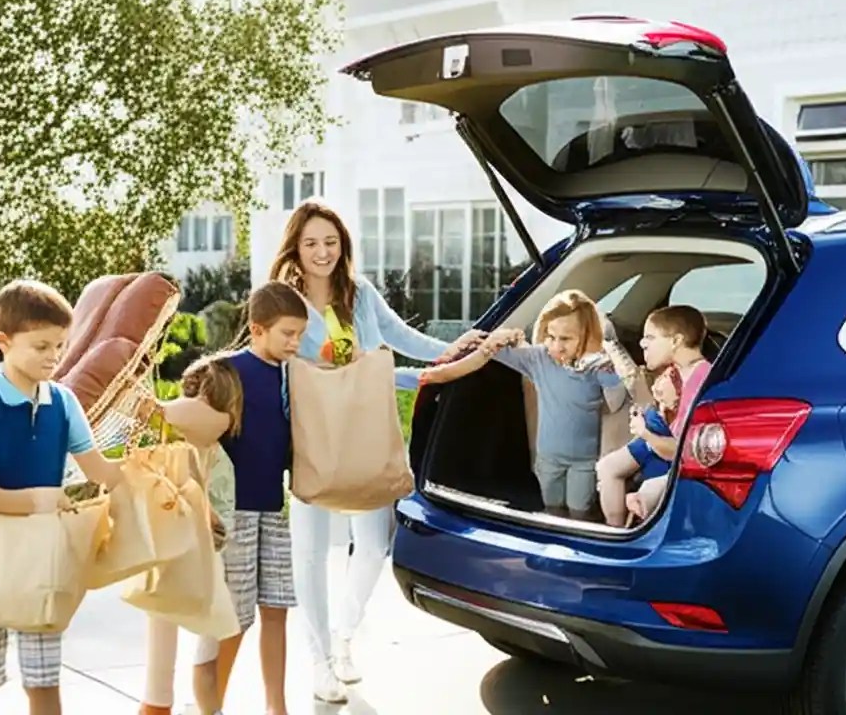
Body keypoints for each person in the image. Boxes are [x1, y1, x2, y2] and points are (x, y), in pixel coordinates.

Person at [270, 199, 483, 702]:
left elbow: (399, 339)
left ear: (342, 245)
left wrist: (456, 350)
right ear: (295, 249)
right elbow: (275, 362)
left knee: (372, 544)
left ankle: (344, 635)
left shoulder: (359, 293)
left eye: (330, 242)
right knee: (309, 553)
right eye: (311, 243)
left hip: (365, 435)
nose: (322, 252)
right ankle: (320, 661)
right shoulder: (283, 301)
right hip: (312, 439)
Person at [0, 279, 124, 715]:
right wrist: (37, 501)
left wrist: (156, 473)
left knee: (44, 678)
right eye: (41, 346)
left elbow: (101, 472)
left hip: (43, 558)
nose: (54, 356)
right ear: (4, 341)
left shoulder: (64, 402)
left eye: (60, 345)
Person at [173, 282, 309, 715]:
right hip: (235, 513)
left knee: (277, 608)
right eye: (287, 333)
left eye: (300, 334)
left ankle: (276, 707)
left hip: (274, 508)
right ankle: (210, 706)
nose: (295, 342)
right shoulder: (227, 373)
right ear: (257, 329)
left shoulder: (293, 376)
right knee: (231, 618)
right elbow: (194, 435)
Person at [419, 289, 624, 521]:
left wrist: (609, 365)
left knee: (579, 512)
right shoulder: (539, 359)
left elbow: (617, 401)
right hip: (548, 459)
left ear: (587, 336)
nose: (556, 346)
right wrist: (495, 339)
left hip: (585, 460)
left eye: (566, 339)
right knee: (550, 509)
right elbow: (495, 354)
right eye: (551, 336)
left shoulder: (597, 368)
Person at [138, 355, 240, 715]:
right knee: (184, 658)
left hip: (188, 559)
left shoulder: (204, 448)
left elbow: (171, 412)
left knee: (174, 658)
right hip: (193, 562)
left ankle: (175, 706)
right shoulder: (191, 447)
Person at [595, 305, 710, 526]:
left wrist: (644, 432)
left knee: (648, 489)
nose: (643, 343)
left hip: (677, 453)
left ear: (676, 341)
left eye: (650, 337)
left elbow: (682, 452)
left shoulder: (698, 380)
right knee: (608, 467)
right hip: (660, 435)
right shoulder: (675, 372)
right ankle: (615, 529)